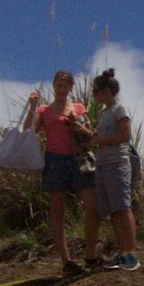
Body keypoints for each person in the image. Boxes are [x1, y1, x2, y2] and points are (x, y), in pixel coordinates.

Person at [25, 70, 101, 275]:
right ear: (54, 86)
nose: (62, 90)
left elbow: (90, 133)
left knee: (92, 207)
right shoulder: (44, 110)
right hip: (55, 160)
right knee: (57, 210)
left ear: (70, 88)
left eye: (66, 86)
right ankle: (67, 261)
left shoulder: (77, 108)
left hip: (78, 159)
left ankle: (91, 254)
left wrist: (76, 123)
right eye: (59, 85)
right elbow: (28, 131)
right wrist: (32, 108)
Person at [89, 68, 139, 271]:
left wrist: (101, 140)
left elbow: (126, 136)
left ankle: (132, 255)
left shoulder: (120, 109)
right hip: (103, 164)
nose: (94, 95)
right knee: (114, 211)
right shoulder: (103, 113)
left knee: (123, 207)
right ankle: (123, 252)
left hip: (117, 162)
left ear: (107, 90)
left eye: (96, 91)